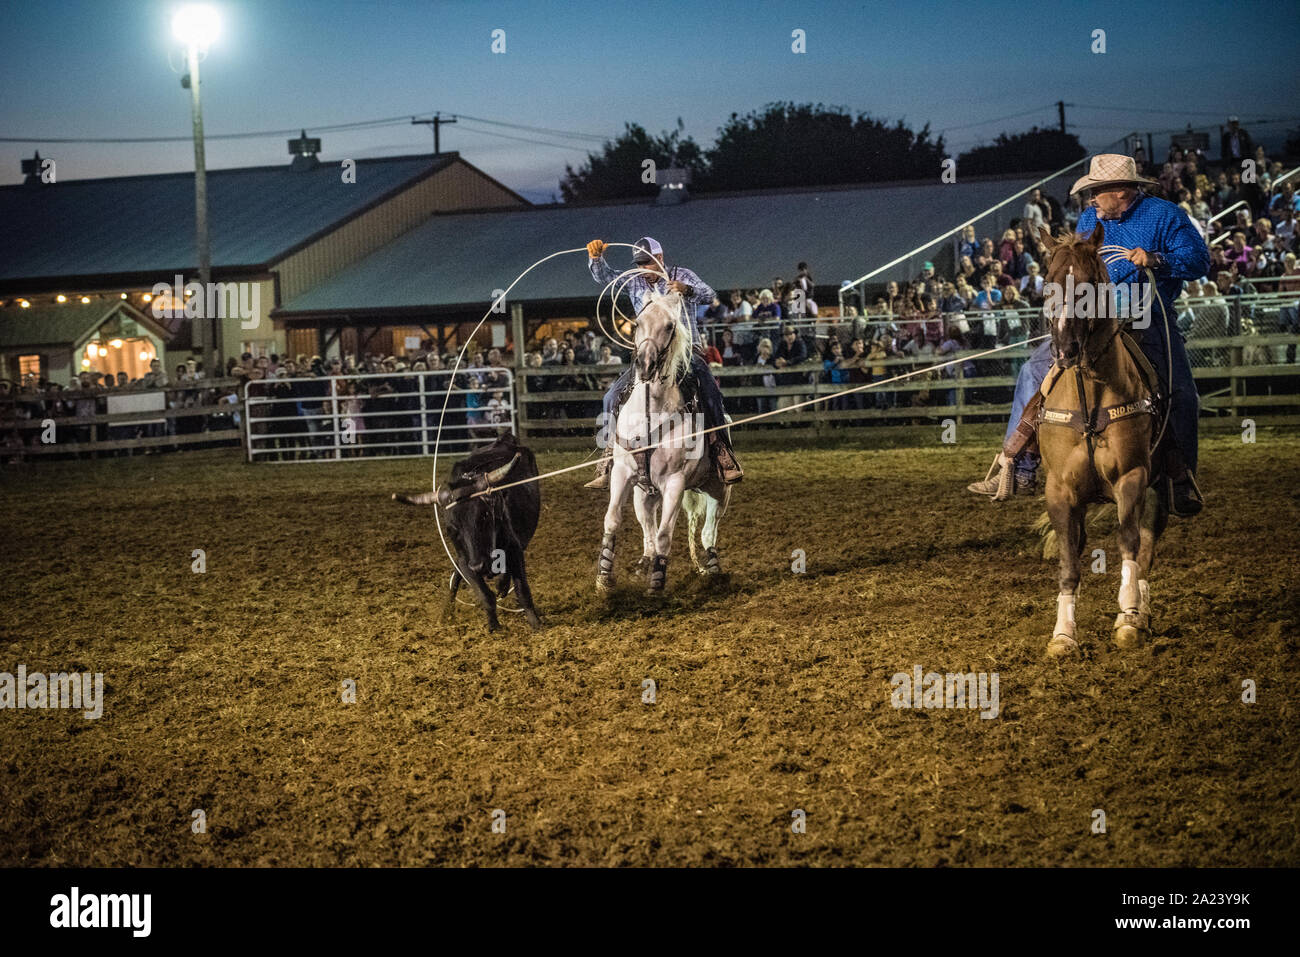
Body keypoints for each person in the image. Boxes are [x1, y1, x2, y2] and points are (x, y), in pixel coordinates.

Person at [967, 154, 1211, 517]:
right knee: (1033, 372)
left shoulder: (1166, 216)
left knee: (1183, 394)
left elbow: (1200, 261)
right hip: (1090, 318)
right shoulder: (1089, 219)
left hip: (1148, 316)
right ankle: (1019, 467)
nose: (1091, 200)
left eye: (1097, 192)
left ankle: (1179, 477)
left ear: (1122, 190)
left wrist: (1157, 260)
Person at [584, 236, 743, 488]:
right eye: (638, 264)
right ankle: (608, 457)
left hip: (685, 353)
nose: (642, 269)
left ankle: (722, 451)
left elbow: (710, 294)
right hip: (648, 354)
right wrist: (596, 258)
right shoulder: (634, 280)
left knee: (710, 392)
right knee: (611, 396)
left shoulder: (682, 275)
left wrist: (687, 290)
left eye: (646, 263)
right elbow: (606, 277)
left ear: (659, 259)